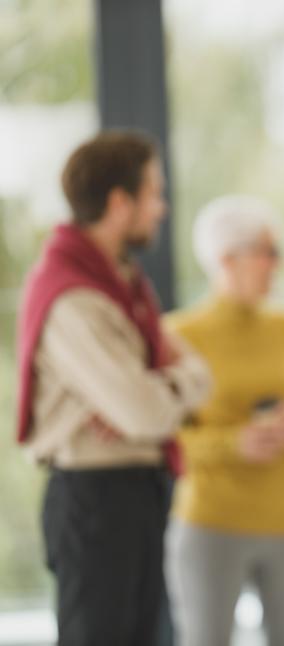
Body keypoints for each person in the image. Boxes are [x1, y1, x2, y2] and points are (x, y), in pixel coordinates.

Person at [15, 130, 211, 645]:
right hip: (95, 500)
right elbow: (146, 413)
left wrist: (155, 387)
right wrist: (160, 389)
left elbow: (198, 374)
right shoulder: (75, 298)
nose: (162, 209)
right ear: (120, 202)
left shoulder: (121, 284)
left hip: (131, 492)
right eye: (154, 193)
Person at [165, 196, 284, 646]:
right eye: (266, 252)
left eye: (277, 251)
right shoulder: (179, 335)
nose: (277, 263)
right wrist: (235, 443)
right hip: (212, 520)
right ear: (226, 259)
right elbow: (168, 439)